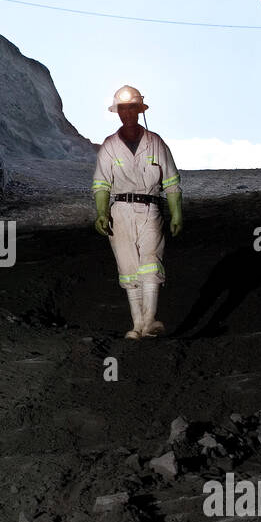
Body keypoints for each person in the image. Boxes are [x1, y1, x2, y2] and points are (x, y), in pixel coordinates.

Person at [91, 85, 183, 339]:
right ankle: (137, 325)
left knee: (150, 262)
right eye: (123, 108)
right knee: (128, 267)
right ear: (117, 112)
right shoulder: (110, 146)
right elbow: (101, 184)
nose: (127, 113)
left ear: (140, 109)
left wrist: (176, 213)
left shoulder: (155, 143)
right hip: (119, 212)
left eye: (132, 107)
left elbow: (172, 182)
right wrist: (101, 212)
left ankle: (150, 320)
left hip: (150, 208)